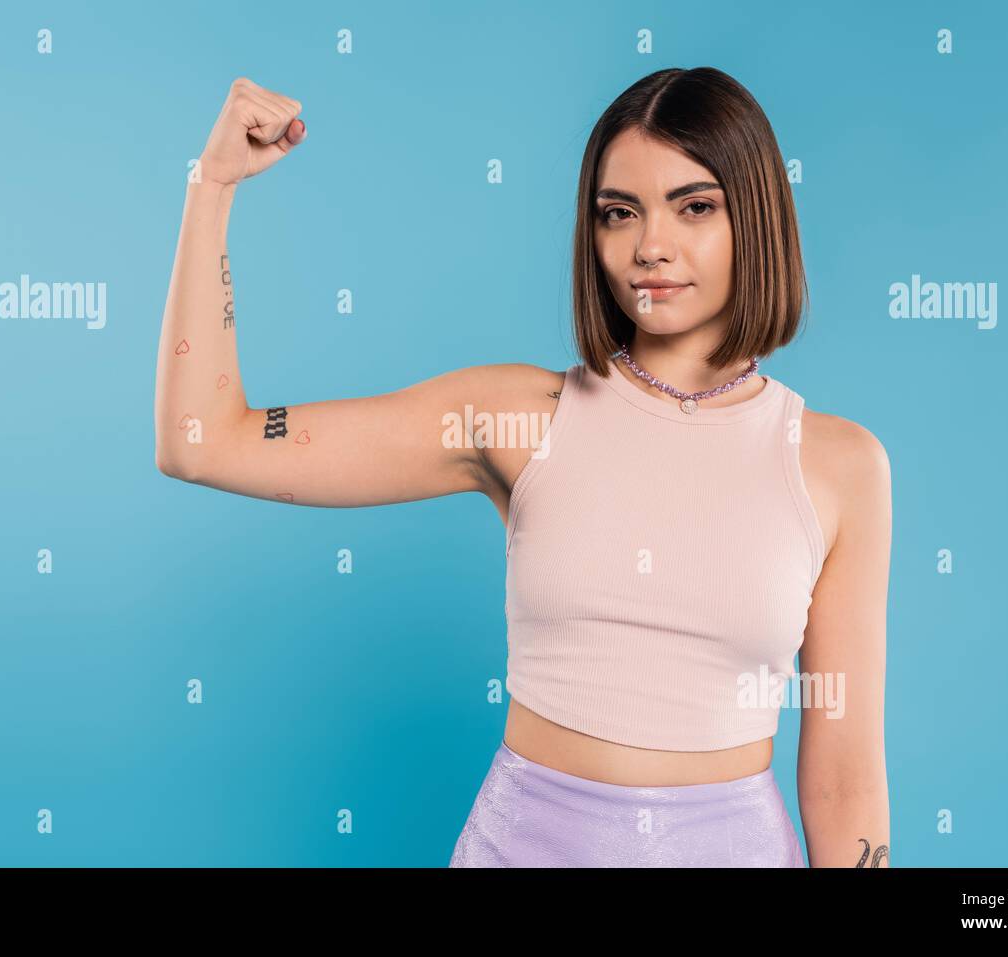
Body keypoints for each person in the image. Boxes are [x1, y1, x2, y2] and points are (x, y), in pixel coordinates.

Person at [154, 67, 892, 868]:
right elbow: (202, 440)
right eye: (619, 212)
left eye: (695, 206)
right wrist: (212, 186)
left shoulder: (839, 465)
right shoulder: (516, 418)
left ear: (757, 216)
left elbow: (846, 782)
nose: (651, 245)